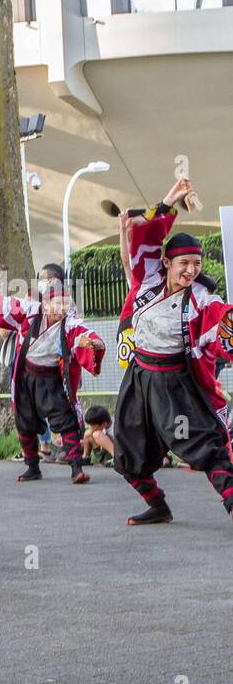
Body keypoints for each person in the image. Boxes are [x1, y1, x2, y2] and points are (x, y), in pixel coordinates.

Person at [113, 178, 233, 525]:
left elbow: (218, 318)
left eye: (196, 264)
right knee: (127, 450)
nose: (191, 270)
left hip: (176, 385)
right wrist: (169, 200)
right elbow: (145, 239)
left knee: (202, 445)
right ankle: (157, 505)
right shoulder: (146, 282)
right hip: (139, 380)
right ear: (166, 262)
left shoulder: (200, 297)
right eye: (184, 263)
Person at [0, 271, 105, 483]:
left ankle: (76, 468)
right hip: (26, 377)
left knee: (65, 420)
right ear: (45, 304)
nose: (62, 308)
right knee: (25, 422)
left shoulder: (70, 323)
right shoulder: (29, 311)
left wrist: (95, 344)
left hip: (52, 379)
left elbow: (84, 336)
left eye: (66, 304)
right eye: (57, 303)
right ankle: (32, 466)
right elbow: (1, 304)